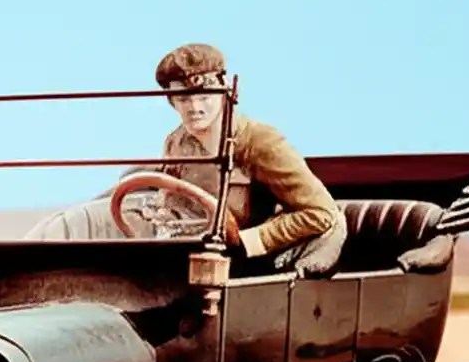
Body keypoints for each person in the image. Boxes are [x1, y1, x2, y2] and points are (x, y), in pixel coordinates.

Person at [26, 43, 346, 274]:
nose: (195, 107)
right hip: (180, 252)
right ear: (171, 101)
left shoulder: (259, 142)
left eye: (205, 96)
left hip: (238, 266)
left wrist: (246, 240)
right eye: (183, 98)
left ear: (225, 93)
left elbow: (321, 213)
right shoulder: (177, 140)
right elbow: (169, 201)